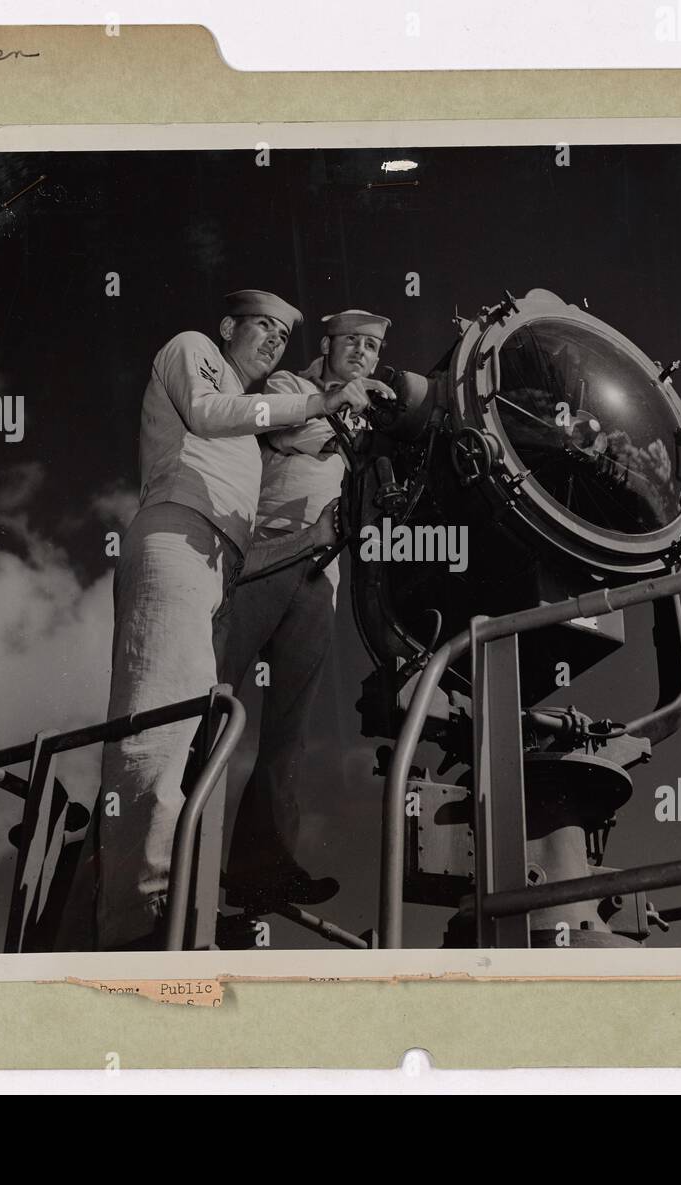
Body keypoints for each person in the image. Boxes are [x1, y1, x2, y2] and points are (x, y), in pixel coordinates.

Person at [96, 290, 373, 950]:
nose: (275, 340)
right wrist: (318, 403)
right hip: (177, 537)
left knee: (201, 726)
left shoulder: (248, 448)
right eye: (263, 326)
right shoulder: (194, 350)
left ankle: (178, 894)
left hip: (218, 564)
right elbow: (209, 411)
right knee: (164, 724)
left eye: (284, 333)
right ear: (227, 327)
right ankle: (145, 912)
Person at [217, 310, 394, 913]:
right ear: (328, 347)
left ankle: (259, 869)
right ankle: (155, 855)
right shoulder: (292, 388)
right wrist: (348, 410)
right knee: (206, 708)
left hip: (322, 576)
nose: (364, 355)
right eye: (354, 343)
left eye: (372, 348)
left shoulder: (366, 414)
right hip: (265, 556)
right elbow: (288, 435)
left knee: (286, 735)